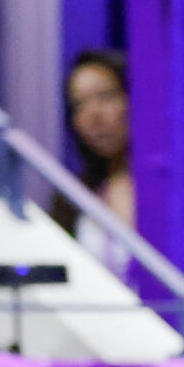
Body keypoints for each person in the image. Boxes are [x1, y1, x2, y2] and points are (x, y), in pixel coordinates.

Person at [48, 49, 136, 278]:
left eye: (106, 96)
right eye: (79, 104)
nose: (93, 115)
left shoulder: (170, 190)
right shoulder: (72, 196)